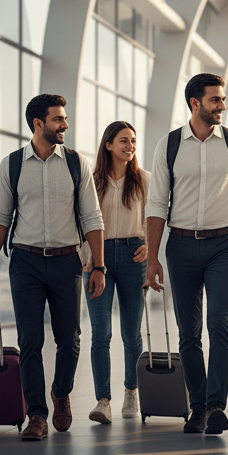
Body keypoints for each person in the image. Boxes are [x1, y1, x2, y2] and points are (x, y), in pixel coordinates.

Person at [0, 95, 105, 441]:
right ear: (37, 124)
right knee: (29, 341)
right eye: (58, 120)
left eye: (64, 119)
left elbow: (92, 217)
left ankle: (60, 393)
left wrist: (99, 266)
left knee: (70, 340)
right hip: (26, 262)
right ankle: (36, 414)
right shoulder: (12, 164)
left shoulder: (77, 164)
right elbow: (0, 218)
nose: (65, 125)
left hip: (67, 261)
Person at [145, 73, 228, 435]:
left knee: (220, 325)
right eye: (215, 99)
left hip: (223, 246)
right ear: (194, 103)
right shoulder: (169, 146)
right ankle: (196, 406)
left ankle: (216, 405)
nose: (222, 106)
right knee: (189, 332)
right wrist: (152, 258)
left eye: (223, 99)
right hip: (180, 245)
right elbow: (156, 204)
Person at [81, 121, 149, 424]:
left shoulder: (144, 180)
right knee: (101, 333)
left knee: (131, 334)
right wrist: (88, 256)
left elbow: (158, 215)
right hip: (99, 257)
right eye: (123, 140)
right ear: (108, 144)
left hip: (135, 255)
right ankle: (103, 400)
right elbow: (81, 221)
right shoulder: (91, 181)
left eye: (133, 141)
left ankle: (131, 391)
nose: (130, 146)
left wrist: (150, 245)